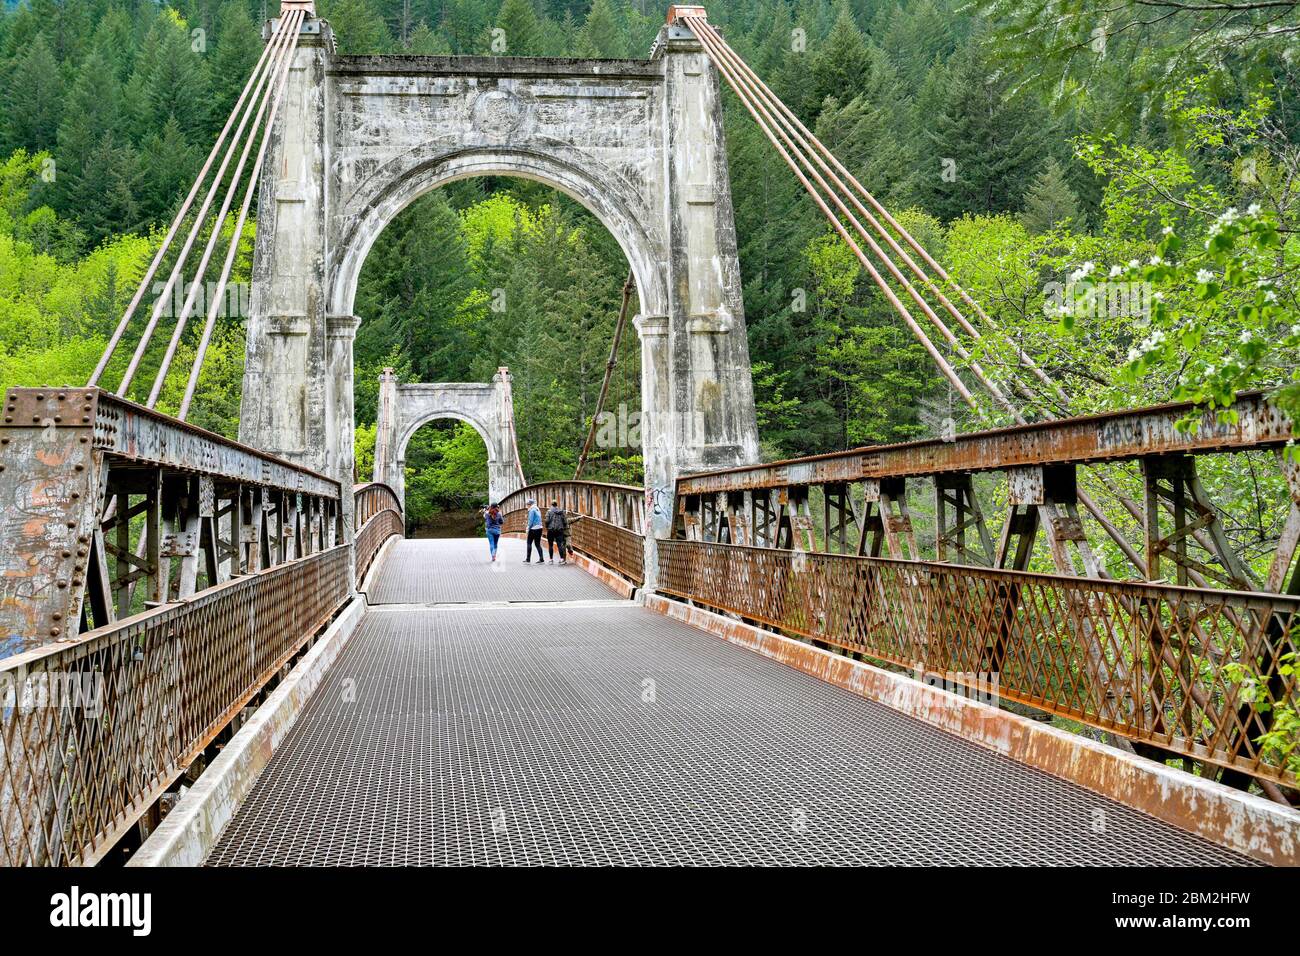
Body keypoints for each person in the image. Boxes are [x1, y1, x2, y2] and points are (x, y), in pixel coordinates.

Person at [544, 500, 569, 564]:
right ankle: (561, 559)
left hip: (551, 530)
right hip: (559, 530)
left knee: (550, 545)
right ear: (556, 505)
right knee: (559, 544)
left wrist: (547, 527)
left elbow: (547, 521)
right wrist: (562, 527)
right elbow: (565, 522)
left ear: (551, 505)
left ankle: (551, 560)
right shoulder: (561, 512)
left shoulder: (549, 512)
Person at [524, 498, 545, 563]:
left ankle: (528, 559)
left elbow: (530, 521)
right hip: (540, 528)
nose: (527, 506)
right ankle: (541, 559)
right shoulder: (537, 509)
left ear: (530, 504)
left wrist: (527, 528)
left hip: (533, 529)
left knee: (529, 543)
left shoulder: (531, 510)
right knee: (538, 544)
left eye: (527, 504)